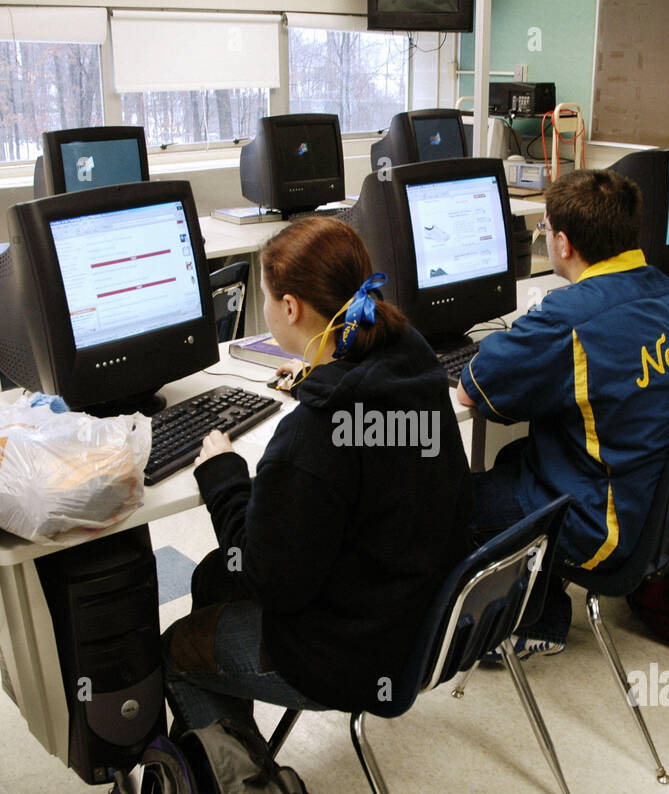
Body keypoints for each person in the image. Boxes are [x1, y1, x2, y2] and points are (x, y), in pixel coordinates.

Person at [162, 216, 472, 742]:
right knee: (213, 575)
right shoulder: (410, 358)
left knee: (174, 649)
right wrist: (318, 376)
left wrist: (224, 478)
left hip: (352, 653)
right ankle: (229, 773)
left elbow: (270, 582)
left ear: (289, 308)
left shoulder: (314, 434)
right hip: (422, 614)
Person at [456, 168, 669, 657]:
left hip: (608, 529)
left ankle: (490, 623)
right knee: (521, 454)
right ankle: (543, 613)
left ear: (562, 242)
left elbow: (473, 391)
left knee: (448, 501)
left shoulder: (571, 318)